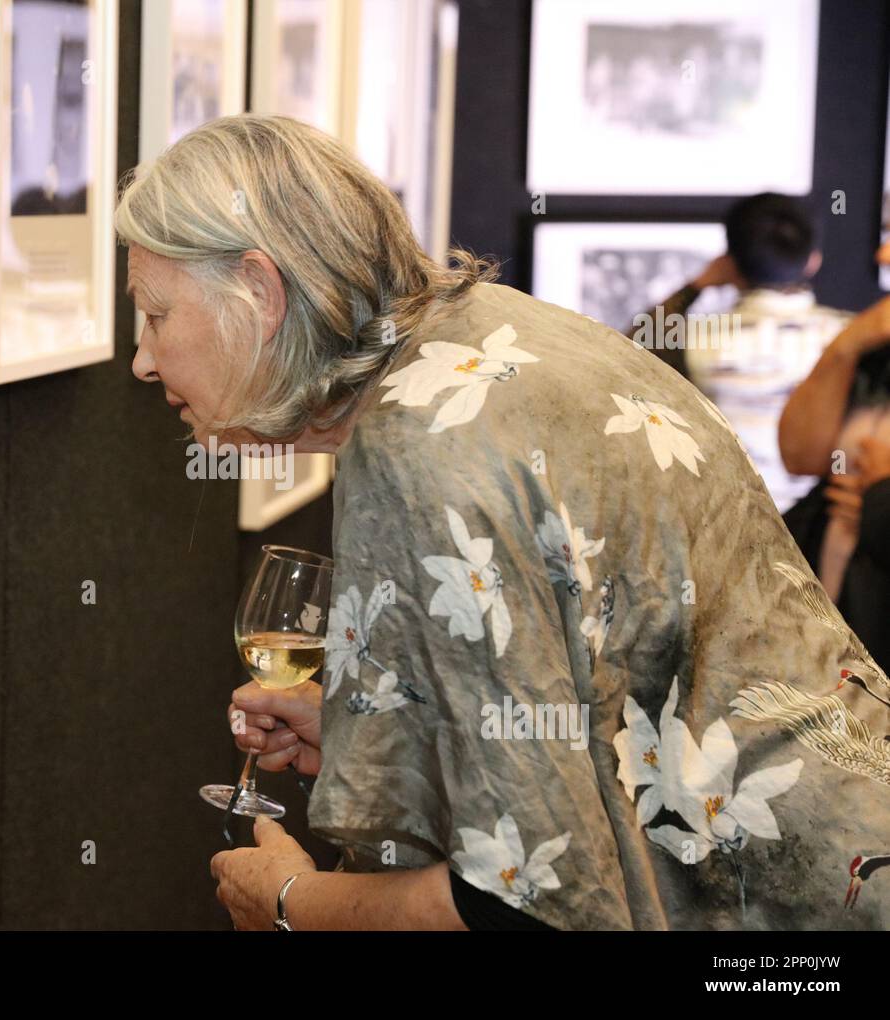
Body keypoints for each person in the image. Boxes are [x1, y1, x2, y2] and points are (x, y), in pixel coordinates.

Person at [119, 114, 890, 931]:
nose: (141, 357)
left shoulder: (418, 440)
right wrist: (381, 729)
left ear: (259, 292)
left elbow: (522, 907)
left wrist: (287, 901)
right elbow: (598, 694)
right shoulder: (493, 334)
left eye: (157, 315)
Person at [628, 193, 851, 512]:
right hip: (823, 524)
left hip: (727, 521)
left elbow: (629, 350)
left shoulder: (695, 340)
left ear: (730, 263)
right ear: (813, 259)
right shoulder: (849, 337)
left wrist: (697, 285)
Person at [777, 241, 890, 672]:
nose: (880, 255)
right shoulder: (877, 345)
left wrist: (879, 496)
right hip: (839, 630)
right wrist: (847, 345)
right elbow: (801, 453)